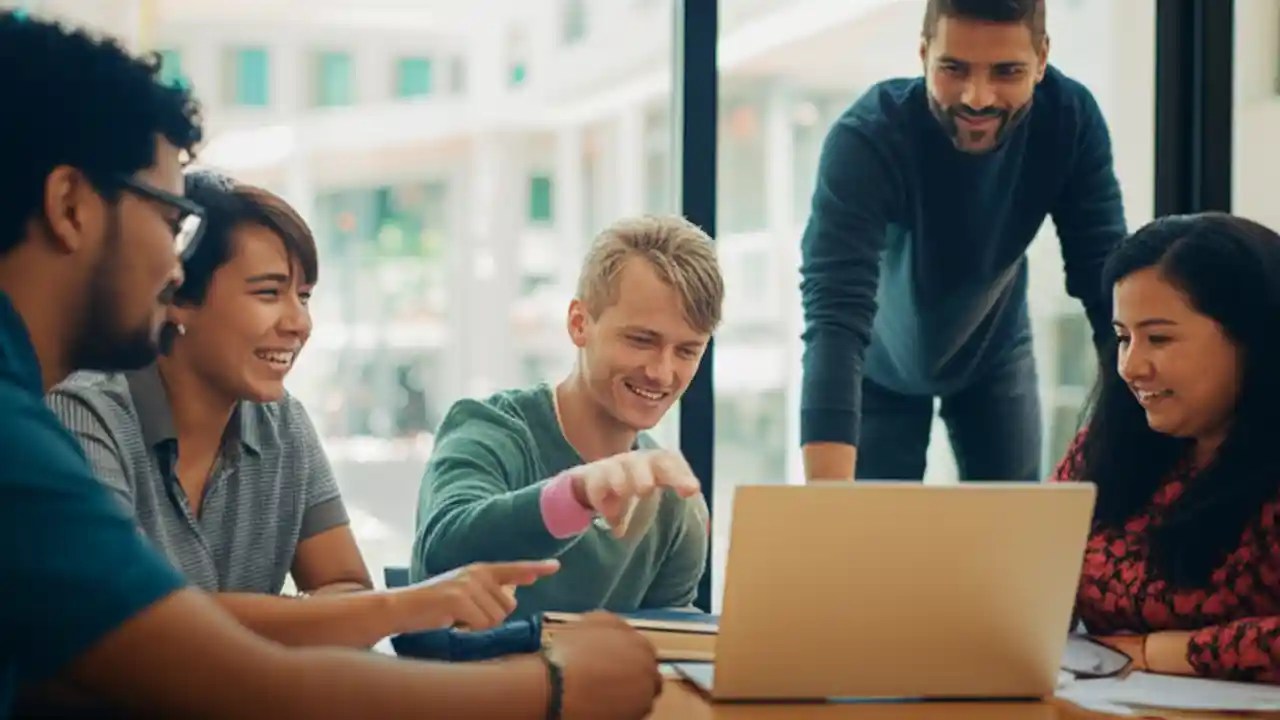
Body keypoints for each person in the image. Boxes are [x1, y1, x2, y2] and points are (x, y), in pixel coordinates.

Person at [0, 10, 660, 719]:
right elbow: (230, 679)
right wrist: (552, 689)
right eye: (168, 219)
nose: (173, 263)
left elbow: (321, 606)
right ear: (70, 206)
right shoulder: (27, 436)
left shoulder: (266, 421)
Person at [48, 170, 544, 648]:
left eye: (303, 297)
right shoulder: (84, 414)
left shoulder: (282, 422)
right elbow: (133, 621)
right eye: (268, 293)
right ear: (178, 295)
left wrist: (325, 615)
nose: (299, 323)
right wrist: (400, 606)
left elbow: (349, 590)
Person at [799, 0, 1126, 483]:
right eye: (954, 68)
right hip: (874, 366)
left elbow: (1107, 286)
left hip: (994, 351)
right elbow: (834, 315)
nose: (977, 97)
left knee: (1011, 542)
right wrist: (824, 510)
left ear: (1041, 61)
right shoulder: (867, 138)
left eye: (1007, 71)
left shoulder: (1069, 121)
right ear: (924, 54)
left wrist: (1144, 443)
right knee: (865, 547)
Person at [411, 216, 720, 616]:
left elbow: (666, 647)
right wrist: (576, 495)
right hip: (472, 679)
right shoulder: (489, 429)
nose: (662, 372)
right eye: (641, 340)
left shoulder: (674, 506)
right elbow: (442, 552)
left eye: (687, 351)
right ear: (579, 324)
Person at [1055, 213, 1280, 683]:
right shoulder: (1111, 445)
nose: (1131, 366)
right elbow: (1030, 579)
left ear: (1253, 339)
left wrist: (1157, 651)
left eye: (1159, 338)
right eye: (1123, 338)